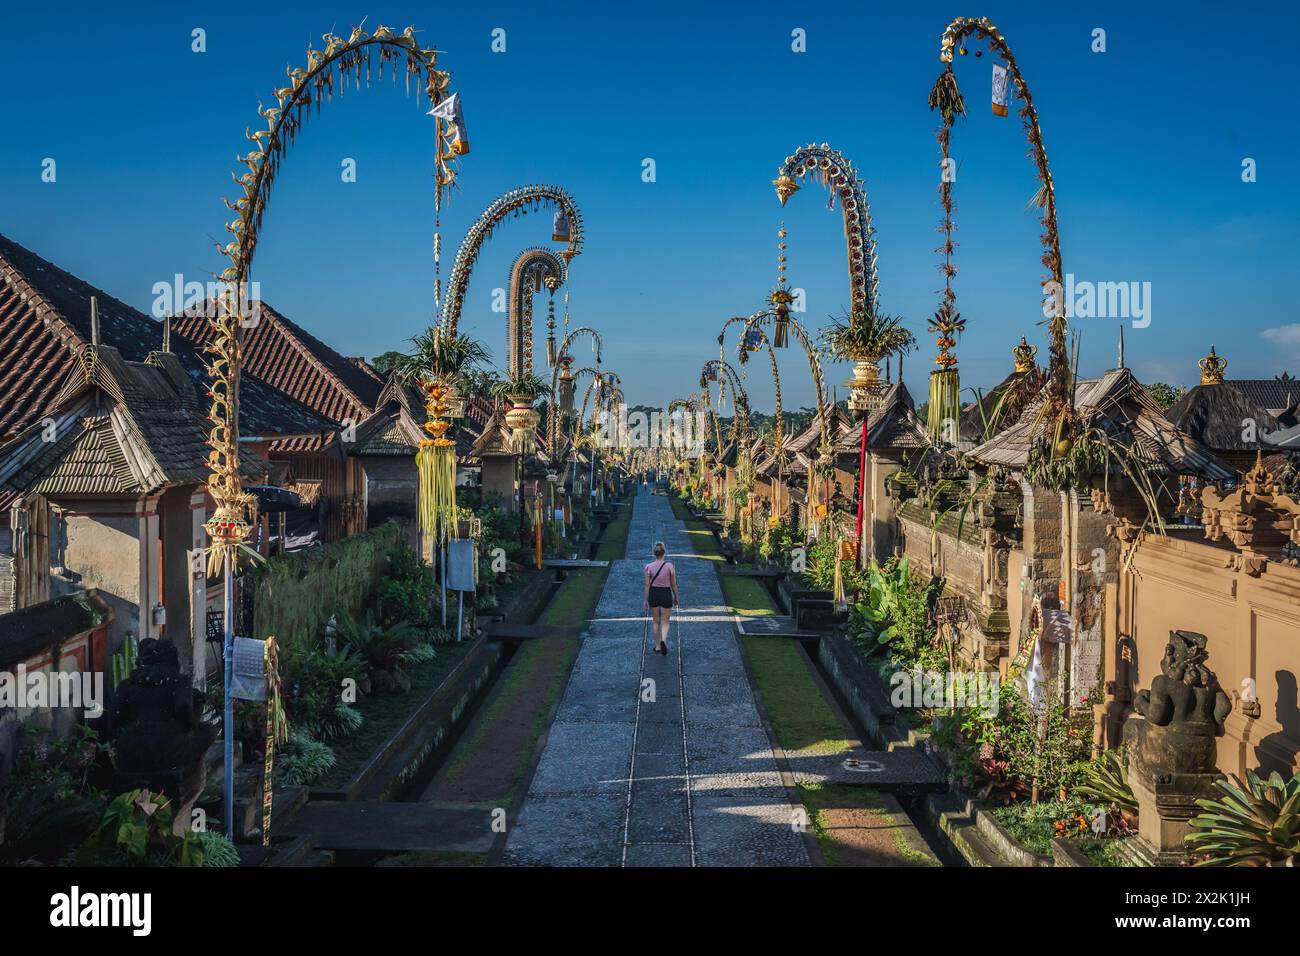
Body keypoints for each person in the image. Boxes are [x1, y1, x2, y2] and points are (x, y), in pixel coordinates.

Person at [643, 541, 678, 655]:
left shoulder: (648, 567)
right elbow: (673, 584)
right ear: (664, 553)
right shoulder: (669, 566)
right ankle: (664, 640)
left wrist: (646, 600)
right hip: (666, 594)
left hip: (654, 594)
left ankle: (657, 646)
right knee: (665, 621)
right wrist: (676, 596)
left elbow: (647, 585)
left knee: (655, 621)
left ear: (654, 553)